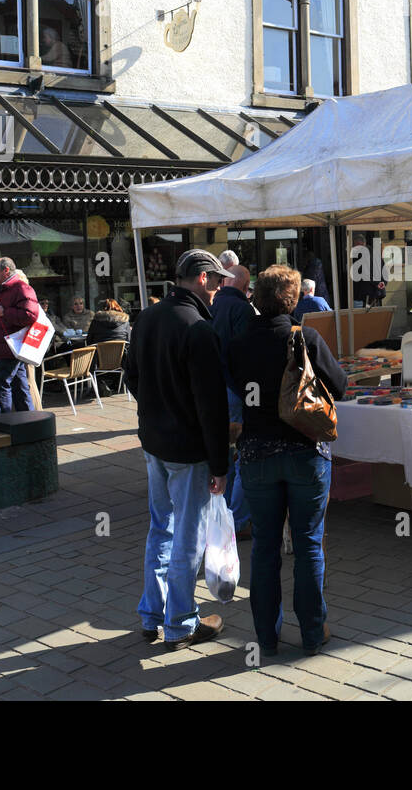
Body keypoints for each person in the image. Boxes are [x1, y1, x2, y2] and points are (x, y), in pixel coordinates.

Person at [228, 265, 348, 656]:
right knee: (308, 543)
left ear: (257, 298)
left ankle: (266, 636)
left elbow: (234, 387)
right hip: (304, 452)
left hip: (256, 454)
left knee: (264, 546)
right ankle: (313, 632)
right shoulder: (305, 338)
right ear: (292, 299)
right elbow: (340, 386)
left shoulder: (239, 340)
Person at [125, 249, 232, 650]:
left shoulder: (148, 316)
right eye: (218, 282)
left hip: (155, 440)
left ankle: (153, 614)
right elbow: (212, 405)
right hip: (186, 448)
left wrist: (157, 407)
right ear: (203, 279)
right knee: (188, 534)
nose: (220, 290)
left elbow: (131, 375)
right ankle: (180, 623)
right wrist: (220, 463)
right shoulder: (198, 328)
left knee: (162, 527)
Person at [211, 262, 256, 539]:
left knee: (222, 456)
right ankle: (237, 521)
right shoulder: (242, 309)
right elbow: (244, 355)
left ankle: (223, 517)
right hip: (235, 390)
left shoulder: (211, 306)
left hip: (213, 389)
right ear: (245, 287)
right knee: (242, 456)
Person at [0, 257, 40, 412]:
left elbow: (30, 315)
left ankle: (8, 422)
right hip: (7, 347)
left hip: (12, 347)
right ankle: (27, 421)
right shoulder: (0, 289)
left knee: (0, 384)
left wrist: (4, 312)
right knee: (19, 384)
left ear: (6, 270)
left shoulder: (21, 287)